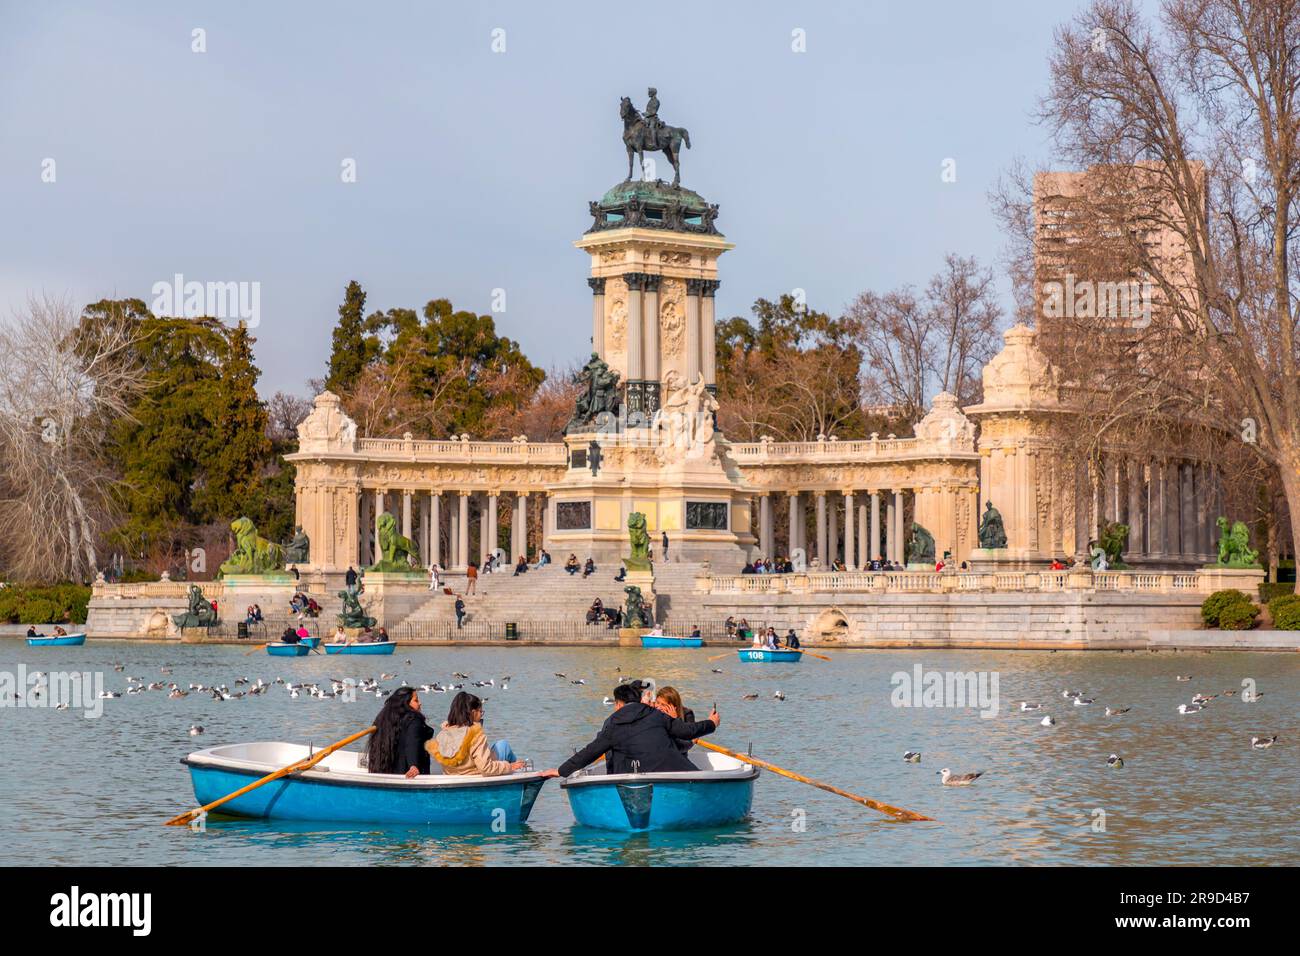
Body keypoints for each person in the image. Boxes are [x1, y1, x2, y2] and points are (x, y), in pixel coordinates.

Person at [540, 683, 719, 779]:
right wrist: (712, 722)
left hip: (633, 779)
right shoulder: (657, 715)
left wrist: (561, 771)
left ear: (618, 704)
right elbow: (688, 731)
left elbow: (590, 752)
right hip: (677, 773)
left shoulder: (613, 725)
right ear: (640, 699)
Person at [429, 691, 525, 776]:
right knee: (503, 745)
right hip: (474, 775)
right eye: (481, 712)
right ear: (473, 713)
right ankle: (520, 769)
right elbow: (486, 768)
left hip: (455, 777)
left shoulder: (441, 735)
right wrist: (509, 766)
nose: (481, 716)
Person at [366, 687, 432, 778]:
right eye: (416, 700)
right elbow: (412, 742)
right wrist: (413, 765)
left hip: (386, 771)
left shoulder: (384, 718)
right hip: (406, 772)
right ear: (405, 703)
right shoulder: (414, 719)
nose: (420, 703)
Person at [652, 686, 697, 754]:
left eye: (663, 705)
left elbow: (682, 746)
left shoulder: (687, 714)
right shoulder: (653, 714)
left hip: (678, 757)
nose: (658, 707)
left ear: (673, 707)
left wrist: (675, 721)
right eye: (657, 703)